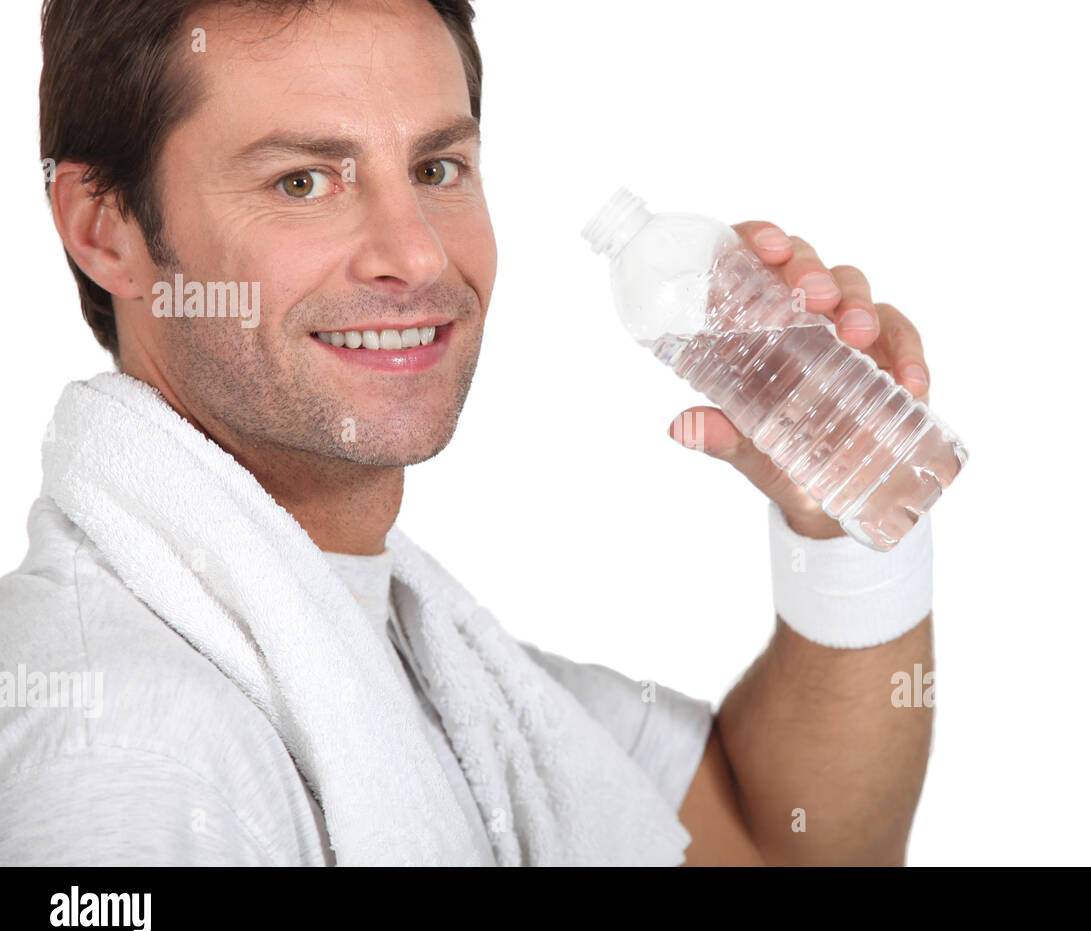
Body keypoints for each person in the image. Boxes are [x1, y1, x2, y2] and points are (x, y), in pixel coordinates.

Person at [0, 0, 938, 866]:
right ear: (104, 227)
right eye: (302, 181)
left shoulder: (435, 675)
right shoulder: (123, 740)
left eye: (436, 169)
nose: (416, 253)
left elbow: (780, 848)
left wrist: (841, 521)